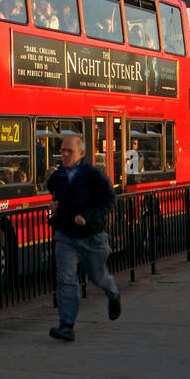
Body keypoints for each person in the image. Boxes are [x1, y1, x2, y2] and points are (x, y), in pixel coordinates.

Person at [45, 134, 121, 342]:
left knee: (97, 277)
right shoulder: (58, 176)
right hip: (66, 235)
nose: (65, 154)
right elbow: (55, 193)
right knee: (66, 278)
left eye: (69, 151)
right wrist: (55, 205)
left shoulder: (94, 175)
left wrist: (87, 217)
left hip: (92, 237)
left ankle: (113, 293)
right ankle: (67, 325)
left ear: (81, 153)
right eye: (62, 150)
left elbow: (110, 200)